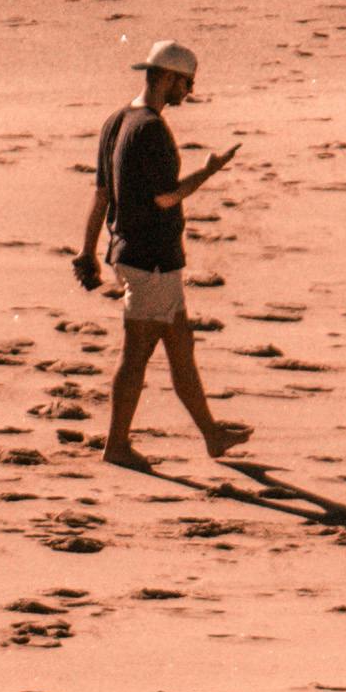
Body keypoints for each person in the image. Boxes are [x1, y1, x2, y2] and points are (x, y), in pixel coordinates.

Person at [80, 41, 248, 472]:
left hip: (131, 252)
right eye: (186, 83)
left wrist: (87, 252)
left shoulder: (117, 120)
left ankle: (211, 435)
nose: (188, 92)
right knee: (136, 355)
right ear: (169, 78)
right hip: (151, 259)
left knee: (181, 345)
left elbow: (101, 195)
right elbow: (165, 198)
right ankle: (116, 444)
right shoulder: (152, 129)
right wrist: (208, 171)